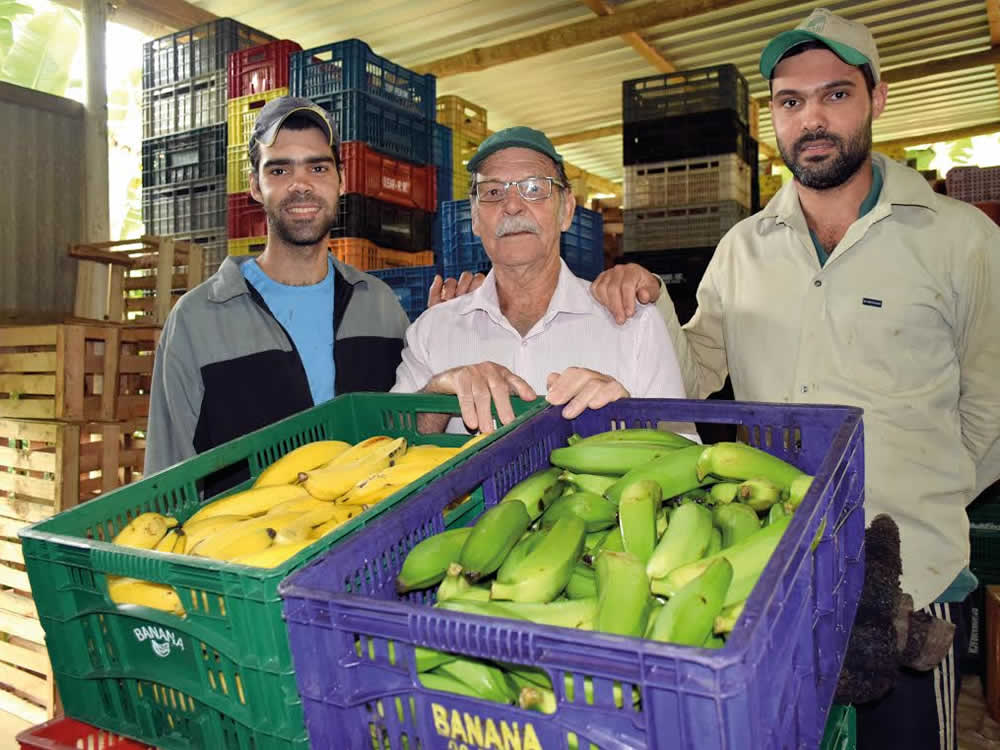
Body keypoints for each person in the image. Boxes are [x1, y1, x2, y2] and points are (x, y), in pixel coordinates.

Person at [590, 9, 1000, 748]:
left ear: (876, 99)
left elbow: (992, 403)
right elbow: (696, 370)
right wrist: (648, 303)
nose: (811, 118)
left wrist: (930, 492)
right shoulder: (743, 249)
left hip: (914, 579)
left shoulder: (959, 240)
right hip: (775, 571)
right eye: (789, 102)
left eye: (835, 95)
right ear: (772, 117)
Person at [145, 96, 410, 477]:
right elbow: (166, 474)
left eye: (318, 168)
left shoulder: (380, 307)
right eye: (280, 171)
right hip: (246, 535)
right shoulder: (197, 320)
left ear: (342, 180)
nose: (301, 186)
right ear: (255, 186)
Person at [392, 126, 689, 433]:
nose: (512, 205)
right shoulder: (432, 331)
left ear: (567, 210)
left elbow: (685, 454)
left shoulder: (635, 325)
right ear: (475, 217)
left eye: (534, 188)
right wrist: (438, 393)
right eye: (493, 192)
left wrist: (630, 421)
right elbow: (385, 455)